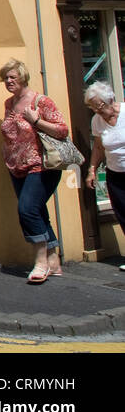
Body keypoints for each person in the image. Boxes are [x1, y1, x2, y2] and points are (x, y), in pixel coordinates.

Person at [0, 59, 70, 283]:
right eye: (6, 78)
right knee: (37, 211)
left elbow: (62, 130)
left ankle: (40, 261)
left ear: (23, 77)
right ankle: (54, 260)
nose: (8, 81)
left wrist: (36, 120)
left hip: (41, 166)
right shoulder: (9, 103)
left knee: (27, 209)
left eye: (12, 77)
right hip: (16, 167)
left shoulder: (41, 101)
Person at [84, 81, 125, 270]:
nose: (96, 111)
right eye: (92, 107)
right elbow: (99, 147)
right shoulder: (96, 121)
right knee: (122, 213)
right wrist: (92, 170)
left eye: (99, 106)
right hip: (115, 173)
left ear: (110, 100)